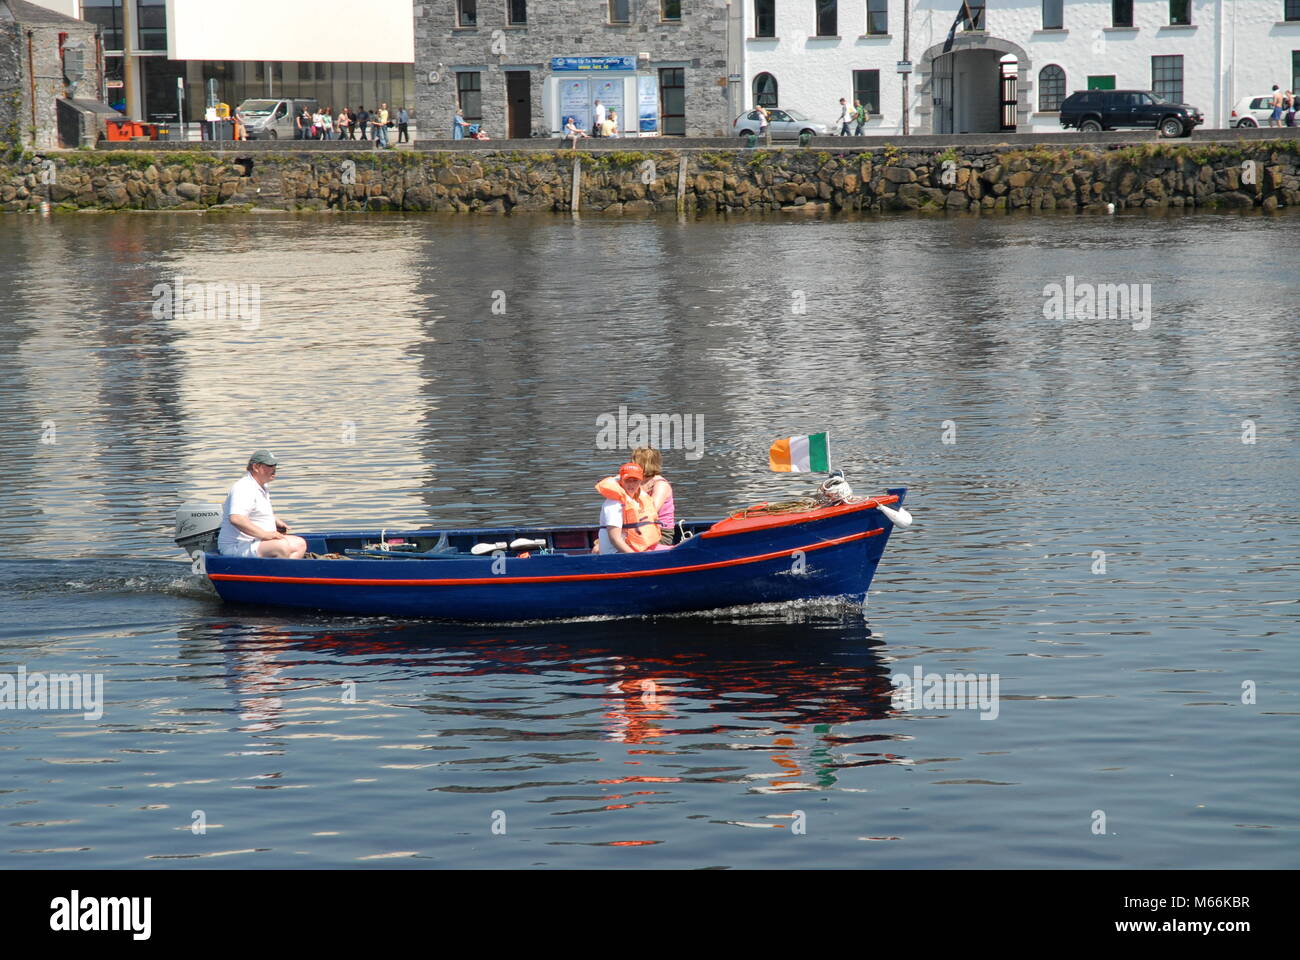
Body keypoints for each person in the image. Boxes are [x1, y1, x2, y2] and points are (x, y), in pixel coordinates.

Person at [217, 450, 307, 559]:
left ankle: (286, 573)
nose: (274, 469)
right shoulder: (244, 487)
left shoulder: (262, 486)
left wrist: (275, 520)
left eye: (275, 465)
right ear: (256, 467)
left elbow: (256, 511)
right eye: (269, 465)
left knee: (300, 544)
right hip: (238, 545)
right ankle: (278, 573)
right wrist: (265, 535)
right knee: (281, 547)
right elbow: (236, 519)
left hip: (256, 541)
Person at [594, 462, 659, 554]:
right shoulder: (614, 504)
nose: (631, 484)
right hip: (617, 555)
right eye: (628, 480)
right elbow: (615, 539)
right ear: (621, 480)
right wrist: (636, 558)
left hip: (635, 549)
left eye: (635, 480)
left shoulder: (636, 499)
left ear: (641, 481)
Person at [631, 447, 675, 547]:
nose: (631, 463)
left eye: (634, 460)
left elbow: (651, 512)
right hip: (637, 528)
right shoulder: (634, 482)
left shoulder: (660, 485)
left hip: (660, 532)